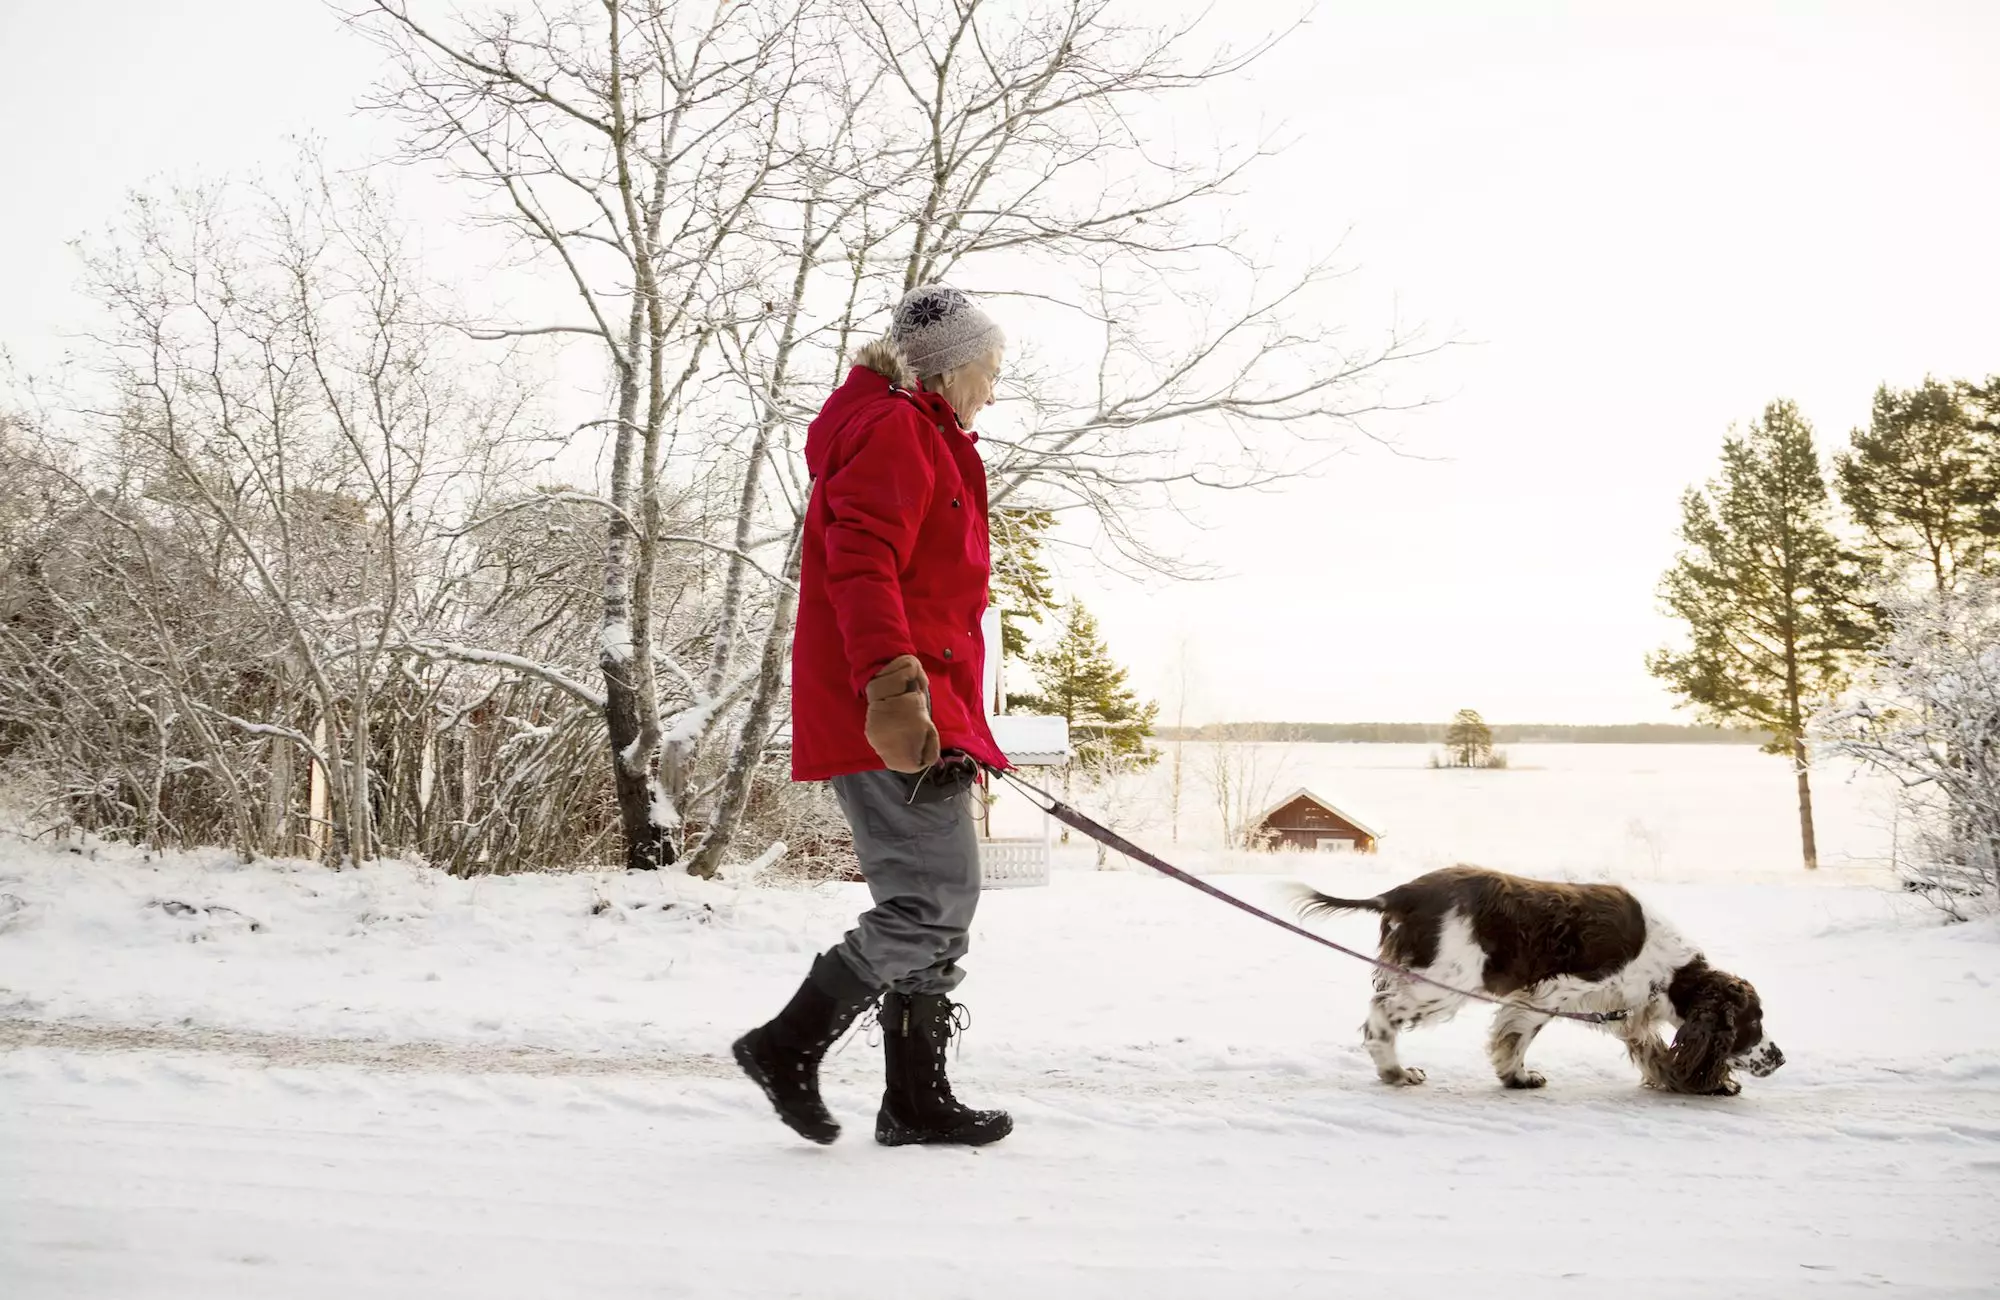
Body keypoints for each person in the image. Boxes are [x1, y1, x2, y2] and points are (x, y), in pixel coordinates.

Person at [732, 284, 1013, 1148]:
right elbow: (862, 568)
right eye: (990, 370)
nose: (994, 390)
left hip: (925, 703)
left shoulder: (923, 432)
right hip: (890, 707)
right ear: (951, 367)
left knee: (938, 902)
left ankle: (914, 1102)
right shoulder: (894, 429)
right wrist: (892, 689)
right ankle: (786, 1047)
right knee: (931, 901)